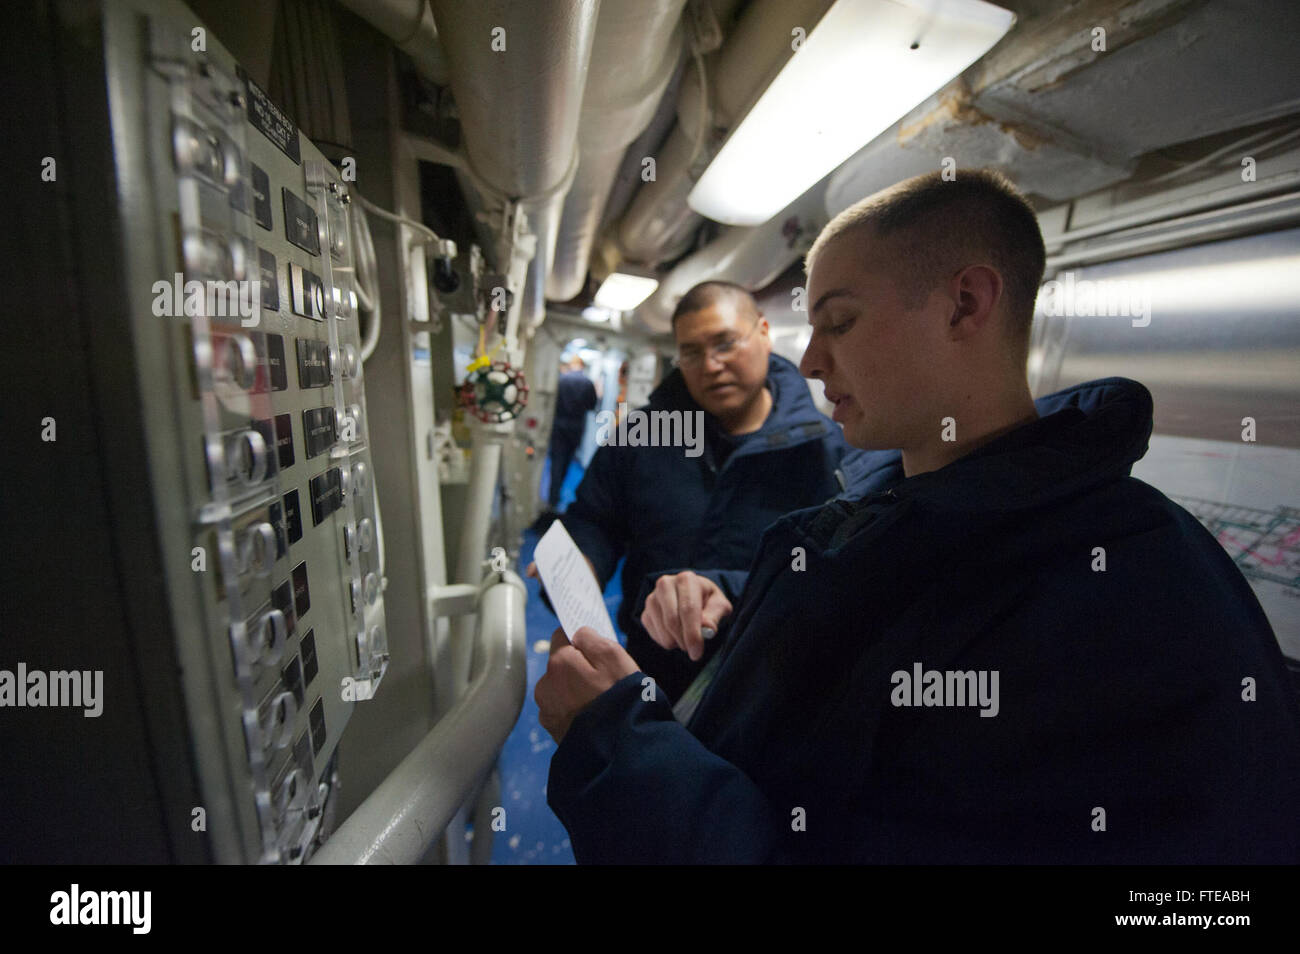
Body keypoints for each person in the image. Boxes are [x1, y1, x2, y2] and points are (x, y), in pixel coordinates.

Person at [534, 169, 1300, 863]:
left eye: (839, 322)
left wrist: (618, 749)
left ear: (965, 305)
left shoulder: (1123, 594)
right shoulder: (876, 506)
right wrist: (728, 604)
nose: (809, 362)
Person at [532, 282, 864, 703]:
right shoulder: (643, 435)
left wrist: (726, 591)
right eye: (690, 352)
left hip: (769, 683)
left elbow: (833, 579)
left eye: (725, 343)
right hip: (649, 670)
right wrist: (582, 558)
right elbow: (595, 518)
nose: (710, 365)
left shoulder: (829, 454)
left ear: (763, 332)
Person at [543, 355, 599, 513]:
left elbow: (553, 401)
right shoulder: (588, 383)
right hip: (576, 427)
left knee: (556, 461)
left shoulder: (562, 380)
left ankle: (552, 497)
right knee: (567, 461)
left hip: (559, 425)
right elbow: (591, 405)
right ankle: (558, 492)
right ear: (581, 366)